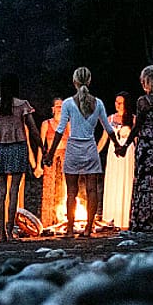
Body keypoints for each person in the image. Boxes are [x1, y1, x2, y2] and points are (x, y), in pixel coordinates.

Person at [43, 67, 122, 238]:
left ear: (74, 82)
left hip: (73, 148)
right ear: (90, 81)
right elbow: (108, 128)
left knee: (71, 191)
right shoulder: (98, 103)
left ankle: (70, 229)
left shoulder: (68, 103)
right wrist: (117, 145)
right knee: (92, 190)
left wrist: (50, 153)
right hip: (90, 148)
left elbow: (60, 129)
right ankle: (88, 228)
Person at [0, 73, 43, 243]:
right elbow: (32, 129)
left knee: (0, 193)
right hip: (18, 147)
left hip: (0, 149)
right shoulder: (22, 105)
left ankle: (1, 233)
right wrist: (42, 147)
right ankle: (10, 231)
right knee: (14, 191)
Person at [123, 65, 153, 231]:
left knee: (143, 183)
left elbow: (137, 127)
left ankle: (142, 220)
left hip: (145, 146)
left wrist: (125, 146)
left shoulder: (143, 101)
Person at [101, 91, 135, 229]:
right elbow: (104, 139)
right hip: (113, 153)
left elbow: (136, 139)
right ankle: (112, 216)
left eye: (120, 102)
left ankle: (125, 216)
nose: (117, 105)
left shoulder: (133, 119)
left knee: (126, 181)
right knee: (114, 181)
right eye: (116, 102)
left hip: (127, 153)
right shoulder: (110, 119)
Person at [38, 97, 68, 228]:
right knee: (49, 188)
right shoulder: (46, 124)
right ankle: (47, 221)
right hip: (51, 156)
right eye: (57, 106)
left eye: (61, 106)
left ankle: (63, 218)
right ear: (52, 108)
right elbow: (41, 145)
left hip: (65, 156)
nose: (59, 108)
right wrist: (38, 165)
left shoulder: (67, 124)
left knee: (65, 187)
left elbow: (72, 143)